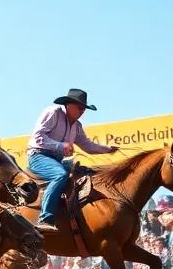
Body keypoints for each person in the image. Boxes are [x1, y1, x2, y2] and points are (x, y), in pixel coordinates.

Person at [26, 89, 118, 231]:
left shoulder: (77, 126)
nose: (82, 111)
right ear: (69, 105)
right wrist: (61, 146)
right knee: (60, 175)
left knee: (86, 172)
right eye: (79, 107)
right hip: (38, 156)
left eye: (84, 109)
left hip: (57, 160)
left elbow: (87, 145)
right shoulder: (53, 113)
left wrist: (107, 149)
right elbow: (37, 137)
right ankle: (45, 218)